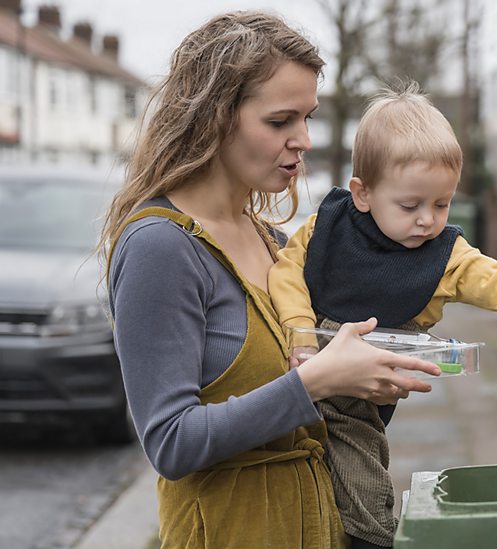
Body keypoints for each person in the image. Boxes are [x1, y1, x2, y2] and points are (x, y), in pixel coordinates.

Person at [98, 12, 439, 548]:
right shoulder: (162, 247)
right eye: (281, 121)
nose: (302, 139)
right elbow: (170, 443)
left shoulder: (274, 243)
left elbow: (309, 419)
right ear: (214, 118)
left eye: (307, 117)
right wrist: (317, 381)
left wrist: (366, 379)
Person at [268, 82, 497, 549]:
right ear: (362, 193)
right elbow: (286, 274)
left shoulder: (445, 255)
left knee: (366, 497)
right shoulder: (326, 225)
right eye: (410, 205)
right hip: (298, 369)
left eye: (442, 204)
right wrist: (301, 338)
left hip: (355, 405)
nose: (427, 220)